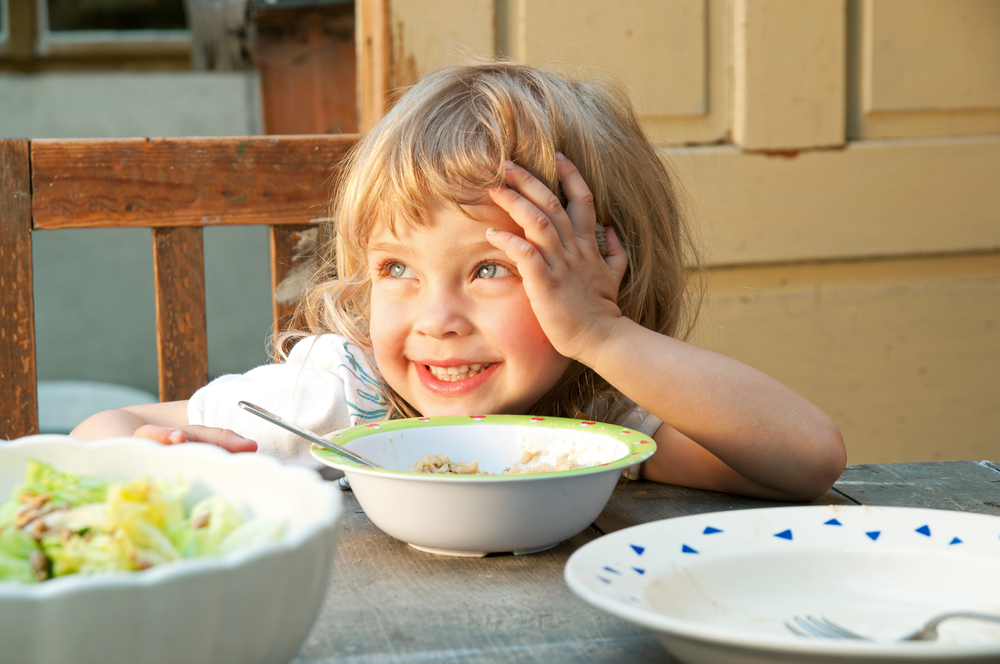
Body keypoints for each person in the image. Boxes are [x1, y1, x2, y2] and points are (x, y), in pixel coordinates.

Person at [72, 60, 846, 501]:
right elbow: (95, 433)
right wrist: (164, 448)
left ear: (601, 274)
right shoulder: (341, 397)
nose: (436, 318)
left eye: (489, 269)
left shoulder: (596, 418)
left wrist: (604, 336)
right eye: (396, 269)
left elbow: (808, 459)